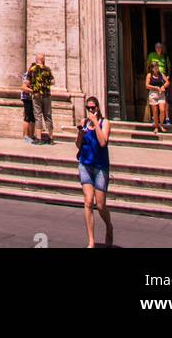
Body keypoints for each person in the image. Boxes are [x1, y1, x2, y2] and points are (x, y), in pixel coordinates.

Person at [76, 95, 113, 249]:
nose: (90, 110)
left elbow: (103, 142)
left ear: (98, 108)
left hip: (100, 166)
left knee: (101, 205)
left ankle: (109, 226)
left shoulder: (105, 123)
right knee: (88, 201)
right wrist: (80, 132)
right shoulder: (84, 124)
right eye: (88, 108)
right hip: (85, 164)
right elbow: (78, 145)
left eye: (93, 107)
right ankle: (91, 240)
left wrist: (96, 123)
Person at [146, 42, 172, 125]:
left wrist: (168, 76)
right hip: (153, 79)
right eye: (157, 47)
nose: (158, 49)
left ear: (162, 48)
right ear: (155, 48)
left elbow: (169, 67)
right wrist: (149, 76)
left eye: (160, 47)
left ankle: (167, 118)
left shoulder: (165, 56)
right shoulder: (151, 55)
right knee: (152, 100)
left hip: (162, 79)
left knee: (165, 101)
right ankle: (154, 118)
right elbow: (147, 65)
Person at [31, 54, 54, 145]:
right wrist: (45, 83)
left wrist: (34, 86)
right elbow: (52, 81)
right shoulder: (47, 69)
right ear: (43, 60)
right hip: (46, 95)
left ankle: (39, 138)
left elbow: (27, 82)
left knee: (38, 116)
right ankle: (51, 138)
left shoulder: (32, 70)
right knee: (48, 116)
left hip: (36, 95)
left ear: (36, 60)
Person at [146, 59, 170, 135]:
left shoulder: (161, 74)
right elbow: (147, 85)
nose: (157, 68)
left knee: (162, 110)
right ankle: (156, 127)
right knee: (155, 112)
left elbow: (167, 82)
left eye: (157, 67)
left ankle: (161, 125)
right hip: (153, 94)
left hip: (161, 94)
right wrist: (155, 87)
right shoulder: (149, 75)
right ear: (152, 68)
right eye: (155, 67)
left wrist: (163, 86)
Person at [20, 62, 37, 143]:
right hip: (26, 98)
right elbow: (23, 87)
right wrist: (34, 91)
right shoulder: (28, 75)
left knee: (33, 118)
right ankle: (26, 136)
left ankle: (31, 136)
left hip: (32, 98)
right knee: (27, 117)